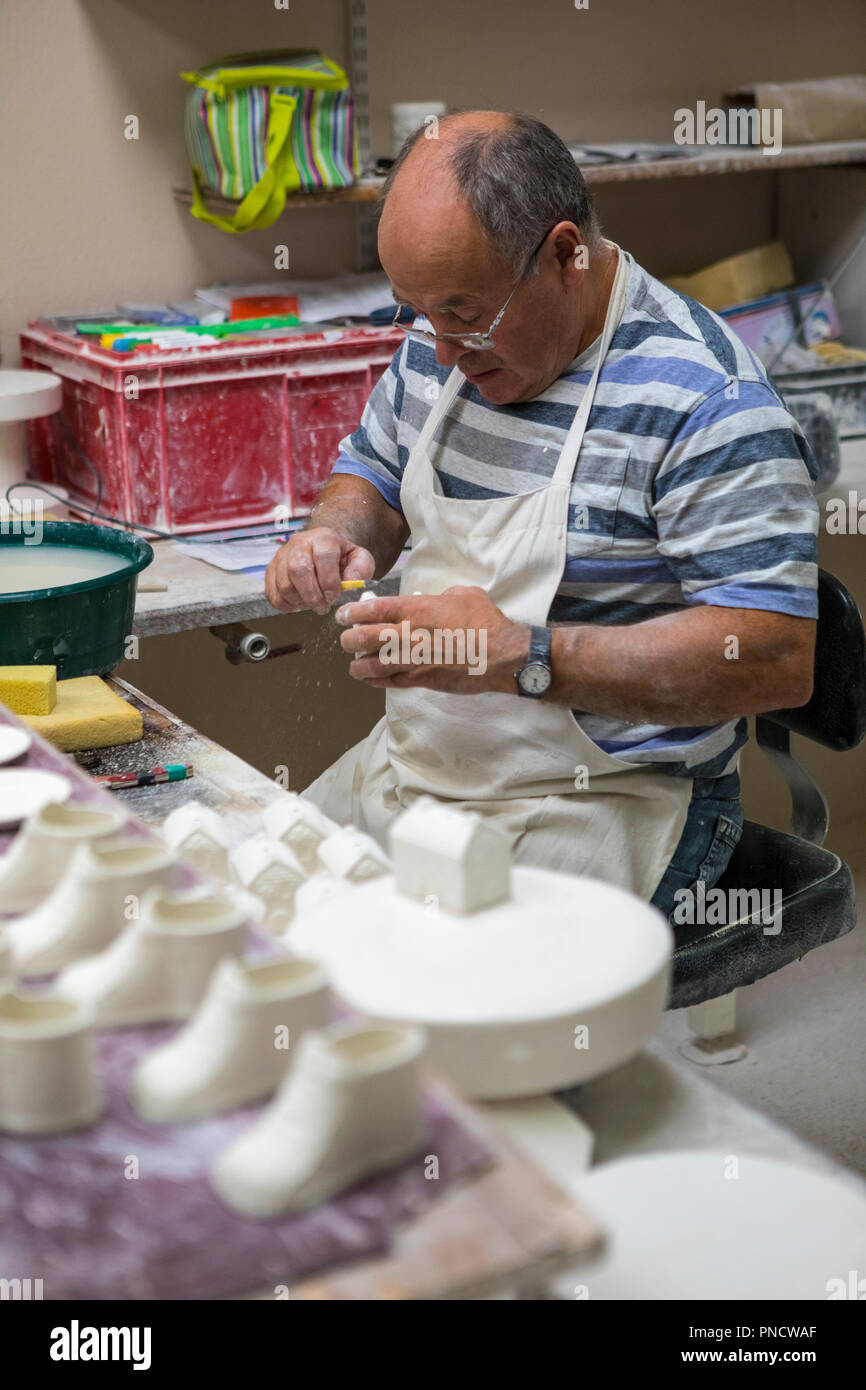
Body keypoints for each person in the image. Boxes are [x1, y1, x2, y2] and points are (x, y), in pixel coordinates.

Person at [264, 111, 818, 919]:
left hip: (613, 803)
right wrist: (334, 533)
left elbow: (774, 658)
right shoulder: (438, 339)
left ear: (566, 254)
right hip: (419, 773)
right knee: (252, 915)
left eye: (464, 313)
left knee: (422, 998)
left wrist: (520, 656)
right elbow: (372, 475)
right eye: (415, 310)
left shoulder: (705, 399)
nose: (440, 348)